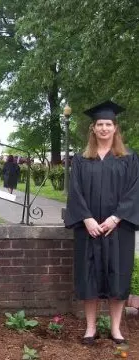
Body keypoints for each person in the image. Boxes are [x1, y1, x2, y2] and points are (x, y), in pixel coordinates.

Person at [64, 100, 139, 345]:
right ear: (93, 129)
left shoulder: (129, 159)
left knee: (118, 276)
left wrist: (115, 218)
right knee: (89, 277)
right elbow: (74, 192)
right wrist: (86, 219)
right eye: (100, 124)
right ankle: (90, 328)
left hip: (120, 229)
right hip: (90, 230)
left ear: (115, 128)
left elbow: (134, 192)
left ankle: (116, 329)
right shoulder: (82, 160)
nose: (104, 128)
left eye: (108, 124)